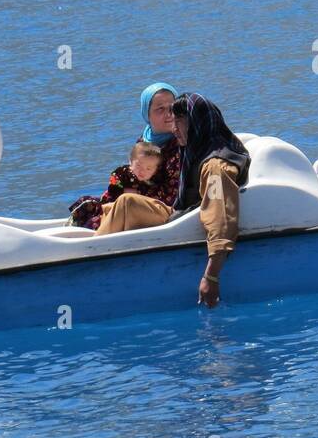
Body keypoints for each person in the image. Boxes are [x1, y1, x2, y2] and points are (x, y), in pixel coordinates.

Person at [65, 80, 182, 229]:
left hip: (165, 208)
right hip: (138, 199)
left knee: (126, 201)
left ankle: (94, 246)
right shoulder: (144, 141)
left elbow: (174, 192)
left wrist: (135, 196)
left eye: (172, 108)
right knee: (88, 204)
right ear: (147, 114)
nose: (169, 115)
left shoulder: (180, 143)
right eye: (160, 109)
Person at [171, 93, 250, 309]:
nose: (174, 129)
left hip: (188, 225)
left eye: (180, 121)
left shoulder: (216, 167)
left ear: (197, 123)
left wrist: (211, 277)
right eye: (173, 121)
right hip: (182, 214)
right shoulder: (197, 152)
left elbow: (220, 217)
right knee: (127, 204)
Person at [92, 142, 174, 236]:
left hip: (139, 209)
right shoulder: (123, 174)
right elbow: (113, 191)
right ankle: (98, 239)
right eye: (138, 165)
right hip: (116, 203)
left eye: (148, 169)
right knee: (111, 207)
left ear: (155, 170)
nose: (142, 171)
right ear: (130, 161)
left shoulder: (157, 181)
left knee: (127, 202)